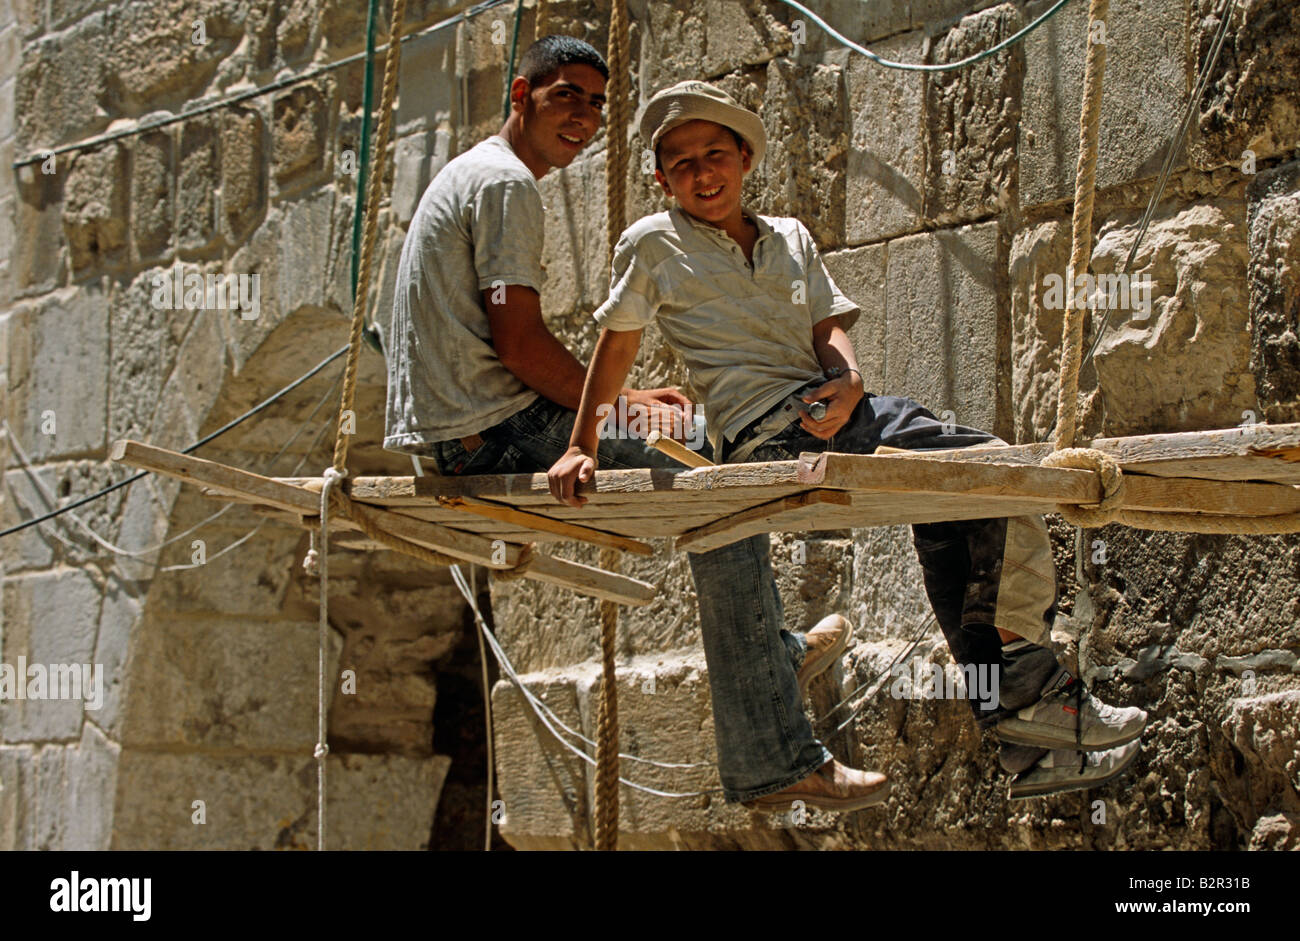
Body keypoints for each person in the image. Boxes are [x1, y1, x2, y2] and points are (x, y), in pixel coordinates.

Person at [547, 80, 1149, 803]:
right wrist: (582, 442)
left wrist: (850, 380)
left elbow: (826, 327)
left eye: (715, 155)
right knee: (980, 485)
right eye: (681, 164)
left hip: (837, 417)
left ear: (744, 157)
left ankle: (1025, 727)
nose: (703, 174)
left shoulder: (791, 237)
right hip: (764, 442)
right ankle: (1035, 703)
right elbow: (615, 347)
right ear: (661, 178)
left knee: (986, 481)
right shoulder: (652, 245)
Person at [384, 41, 877, 810]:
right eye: (565, 96)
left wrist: (624, 400)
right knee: (713, 488)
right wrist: (612, 411)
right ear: (522, 93)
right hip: (492, 431)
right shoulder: (508, 185)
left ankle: (769, 658)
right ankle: (775, 759)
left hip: (466, 425)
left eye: (595, 104)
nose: (582, 116)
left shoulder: (475, 173)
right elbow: (517, 345)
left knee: (702, 444)